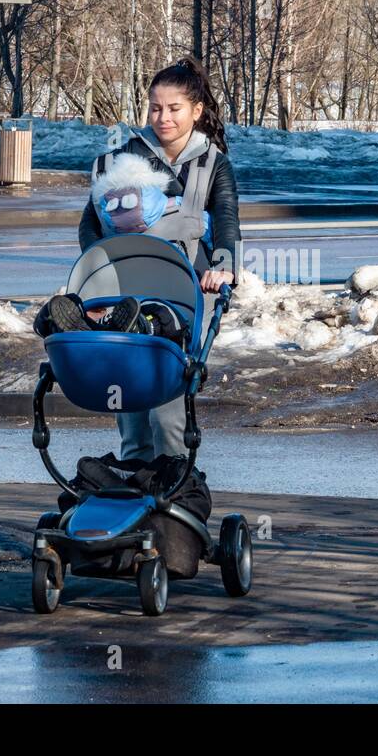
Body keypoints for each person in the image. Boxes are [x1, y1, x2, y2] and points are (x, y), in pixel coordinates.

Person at [76, 56, 241, 463]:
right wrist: (98, 274)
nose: (162, 117)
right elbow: (89, 225)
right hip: (126, 289)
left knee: (167, 397)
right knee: (130, 394)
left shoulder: (214, 163)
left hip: (185, 290)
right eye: (155, 107)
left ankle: (172, 481)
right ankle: (133, 473)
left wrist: (222, 266)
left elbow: (226, 219)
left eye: (174, 108)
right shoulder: (127, 156)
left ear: (197, 111)